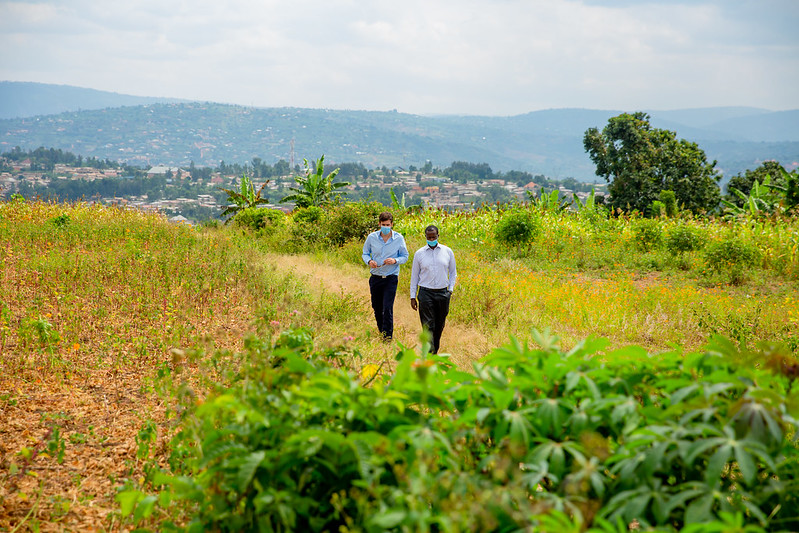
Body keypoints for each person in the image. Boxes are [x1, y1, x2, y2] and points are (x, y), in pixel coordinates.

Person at [410, 225, 457, 354]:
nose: (431, 239)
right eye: (429, 237)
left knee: (439, 325)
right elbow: (414, 276)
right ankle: (430, 354)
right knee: (427, 325)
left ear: (438, 236)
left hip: (443, 293)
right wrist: (412, 296)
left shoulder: (447, 251)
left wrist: (450, 290)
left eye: (433, 237)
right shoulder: (419, 254)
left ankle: (435, 350)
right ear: (425, 237)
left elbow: (453, 272)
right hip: (425, 293)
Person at [362, 212, 409, 341]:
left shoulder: (399, 238)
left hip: (391, 277)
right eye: (383, 225)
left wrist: (394, 260)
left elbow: (405, 256)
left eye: (388, 225)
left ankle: (388, 338)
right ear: (379, 224)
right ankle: (381, 331)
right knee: (377, 307)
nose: (386, 227)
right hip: (376, 277)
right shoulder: (372, 238)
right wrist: (369, 261)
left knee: (387, 308)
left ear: (392, 224)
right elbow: (365, 253)